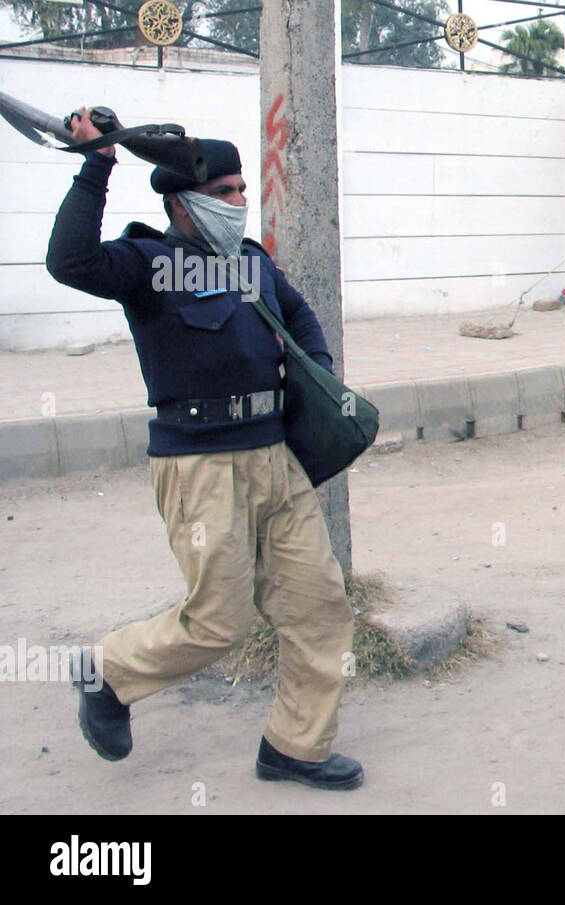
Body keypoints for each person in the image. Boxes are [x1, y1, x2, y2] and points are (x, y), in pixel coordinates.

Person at [48, 107, 363, 791]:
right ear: (182, 201)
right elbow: (69, 261)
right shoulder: (146, 263)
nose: (240, 202)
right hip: (200, 466)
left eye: (244, 189)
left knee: (319, 603)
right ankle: (108, 672)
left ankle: (295, 745)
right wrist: (97, 161)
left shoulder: (250, 261)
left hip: (275, 457)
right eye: (226, 192)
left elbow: (300, 312)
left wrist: (317, 368)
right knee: (216, 620)